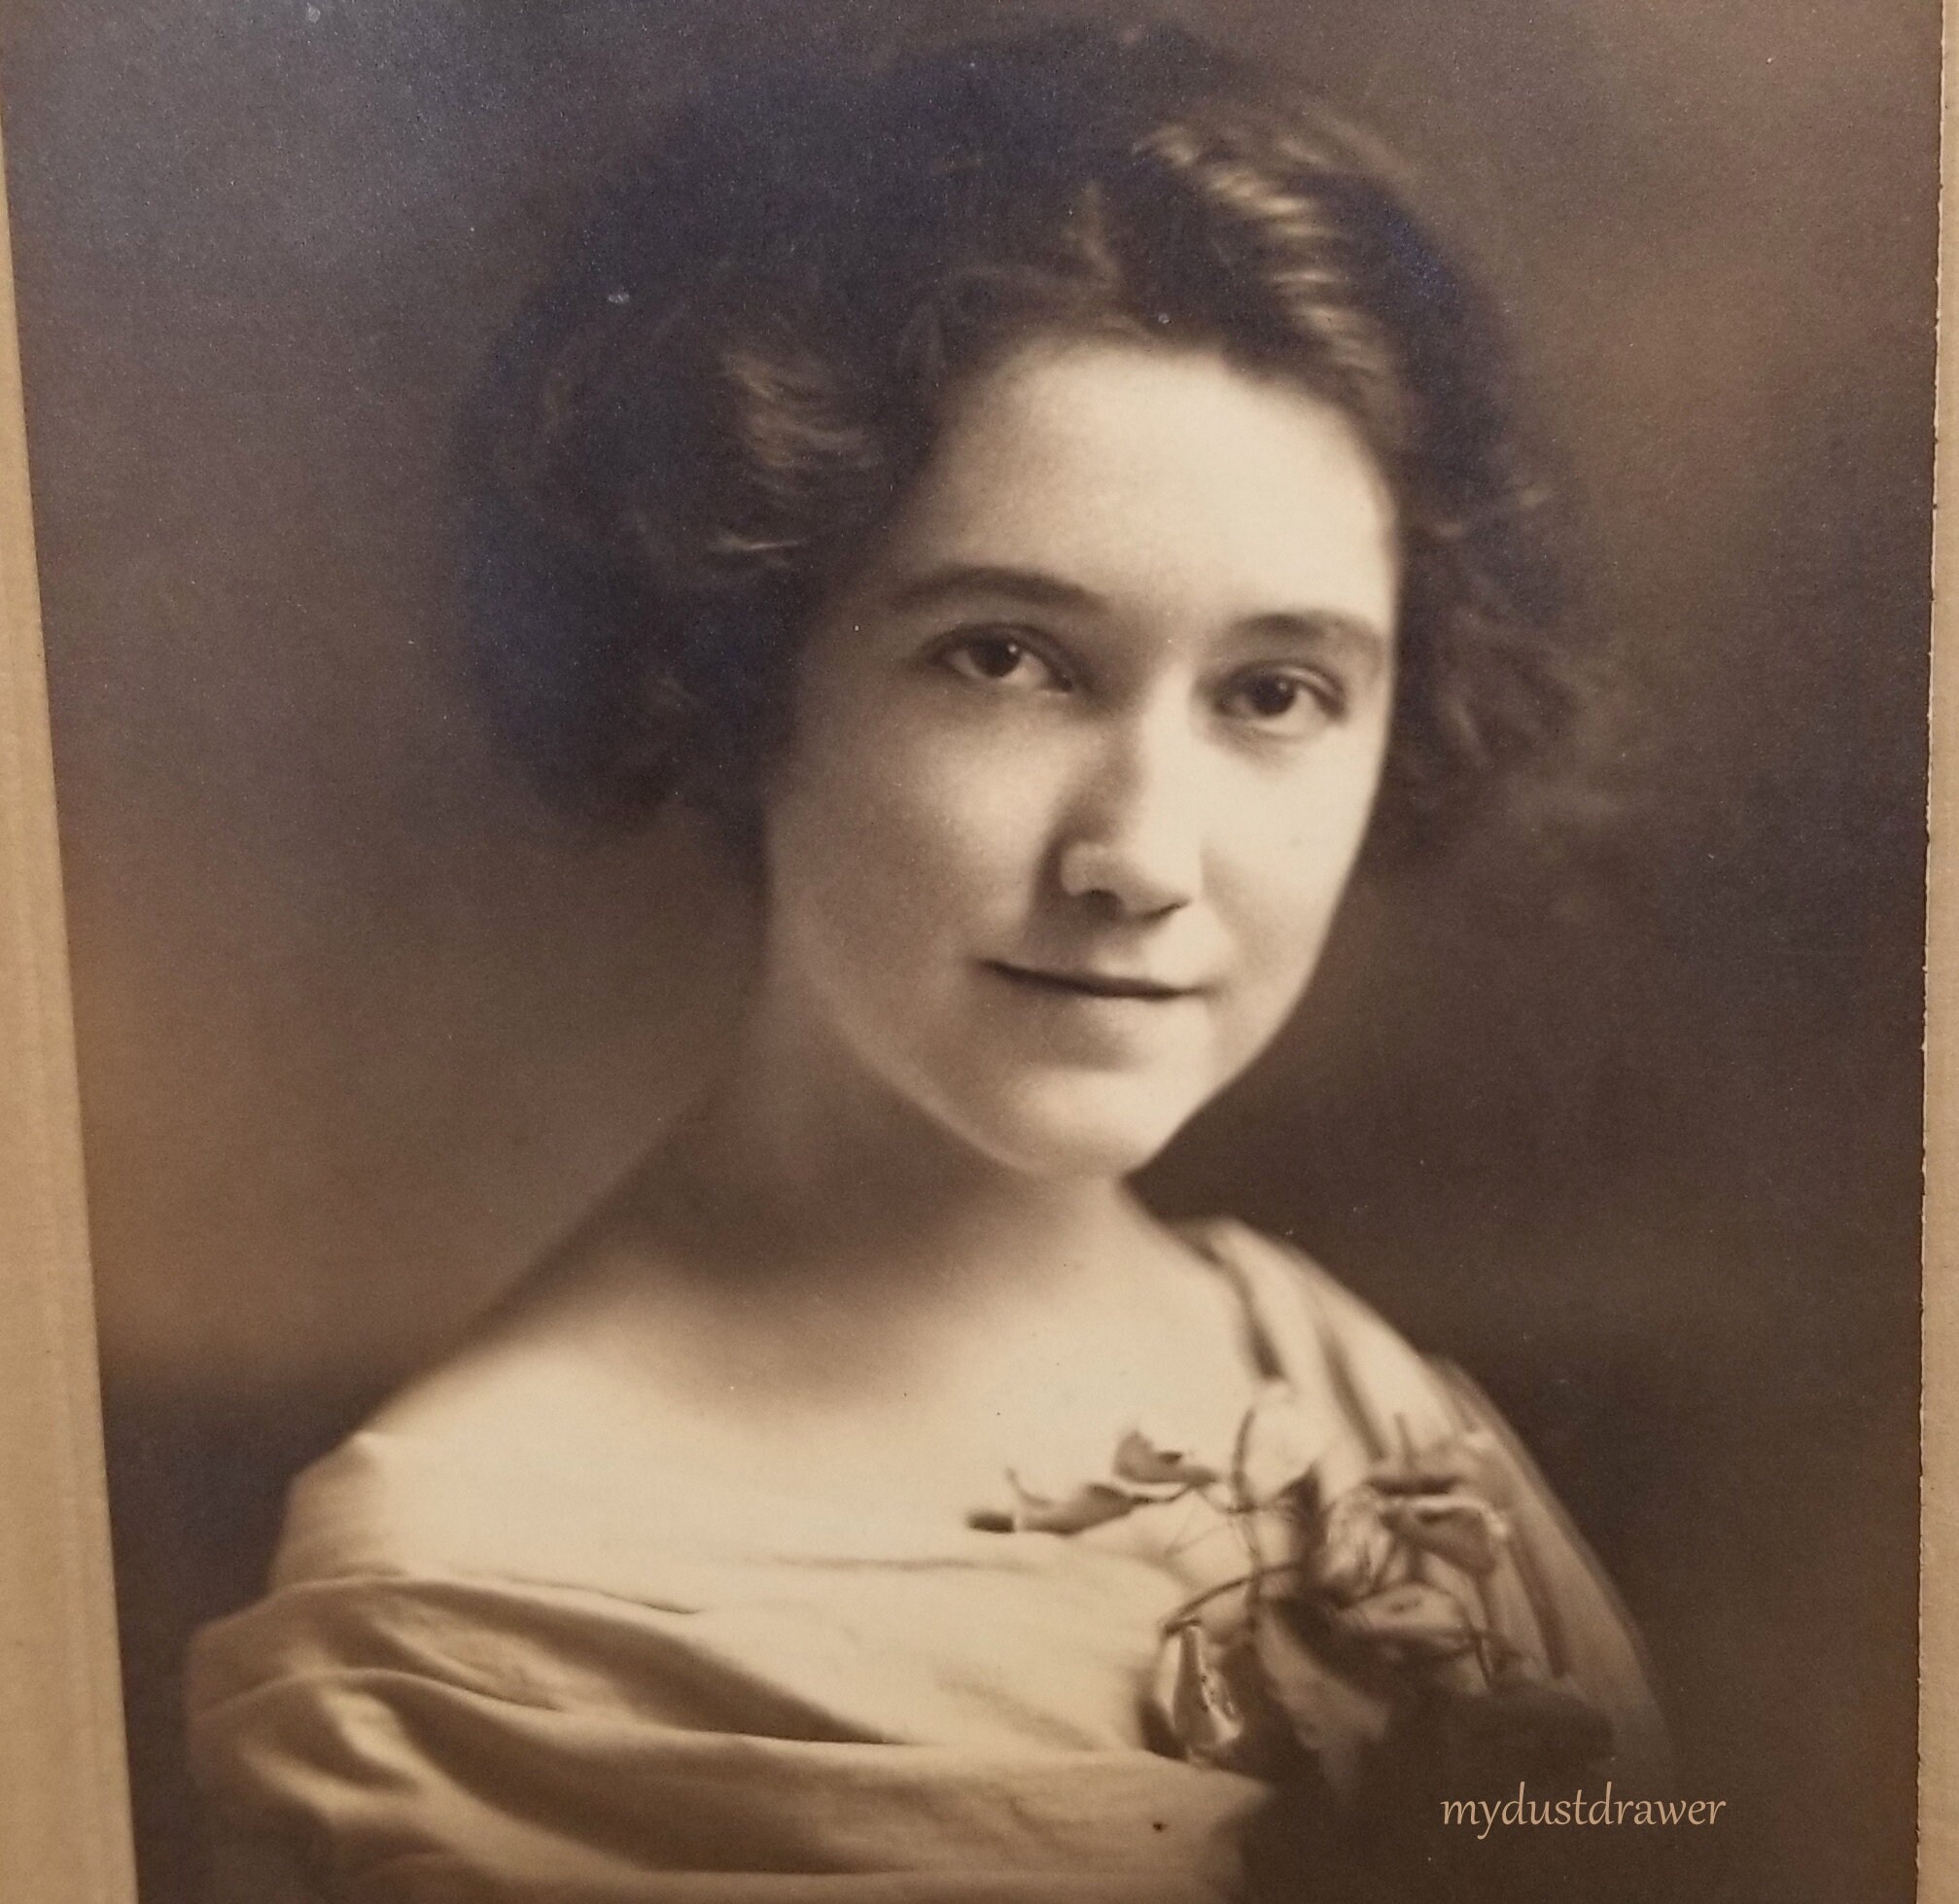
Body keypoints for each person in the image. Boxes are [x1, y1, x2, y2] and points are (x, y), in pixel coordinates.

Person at [186, 20, 1668, 1902]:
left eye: (1277, 691)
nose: (1143, 857)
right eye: (1006, 658)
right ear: (745, 672)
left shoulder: (1351, 1398)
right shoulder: (469, 1620)